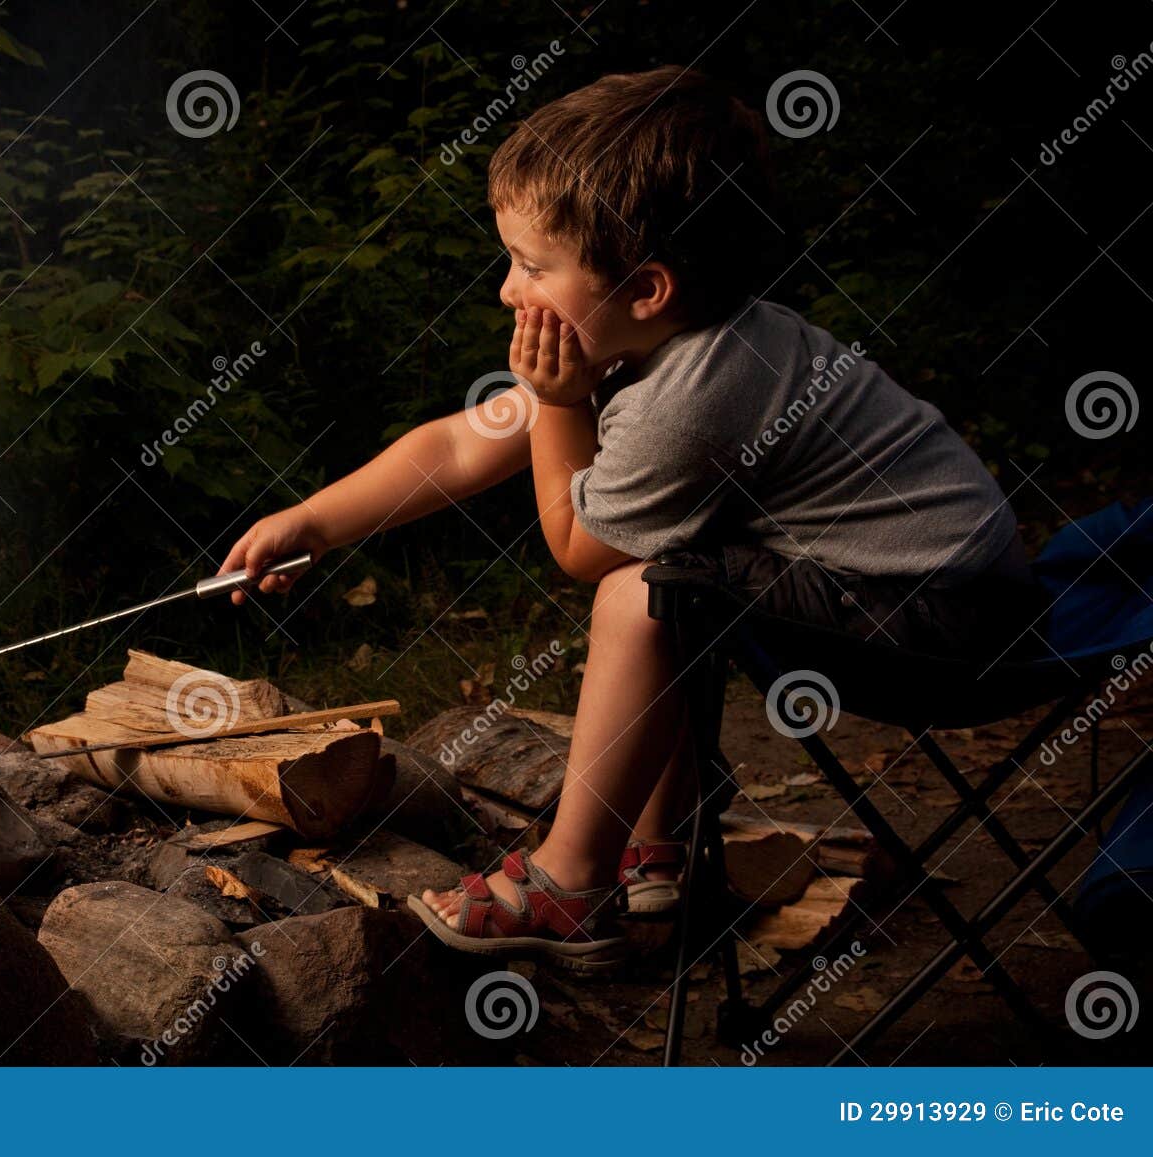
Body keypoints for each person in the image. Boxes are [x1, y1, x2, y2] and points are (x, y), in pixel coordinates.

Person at [217, 66, 1040, 967]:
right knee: (679, 566)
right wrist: (312, 522)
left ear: (647, 287)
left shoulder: (694, 391)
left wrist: (557, 405)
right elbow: (459, 444)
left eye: (533, 266)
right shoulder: (644, 337)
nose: (506, 291)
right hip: (937, 584)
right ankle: (663, 839)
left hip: (943, 621)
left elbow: (575, 548)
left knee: (639, 589)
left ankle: (571, 881)